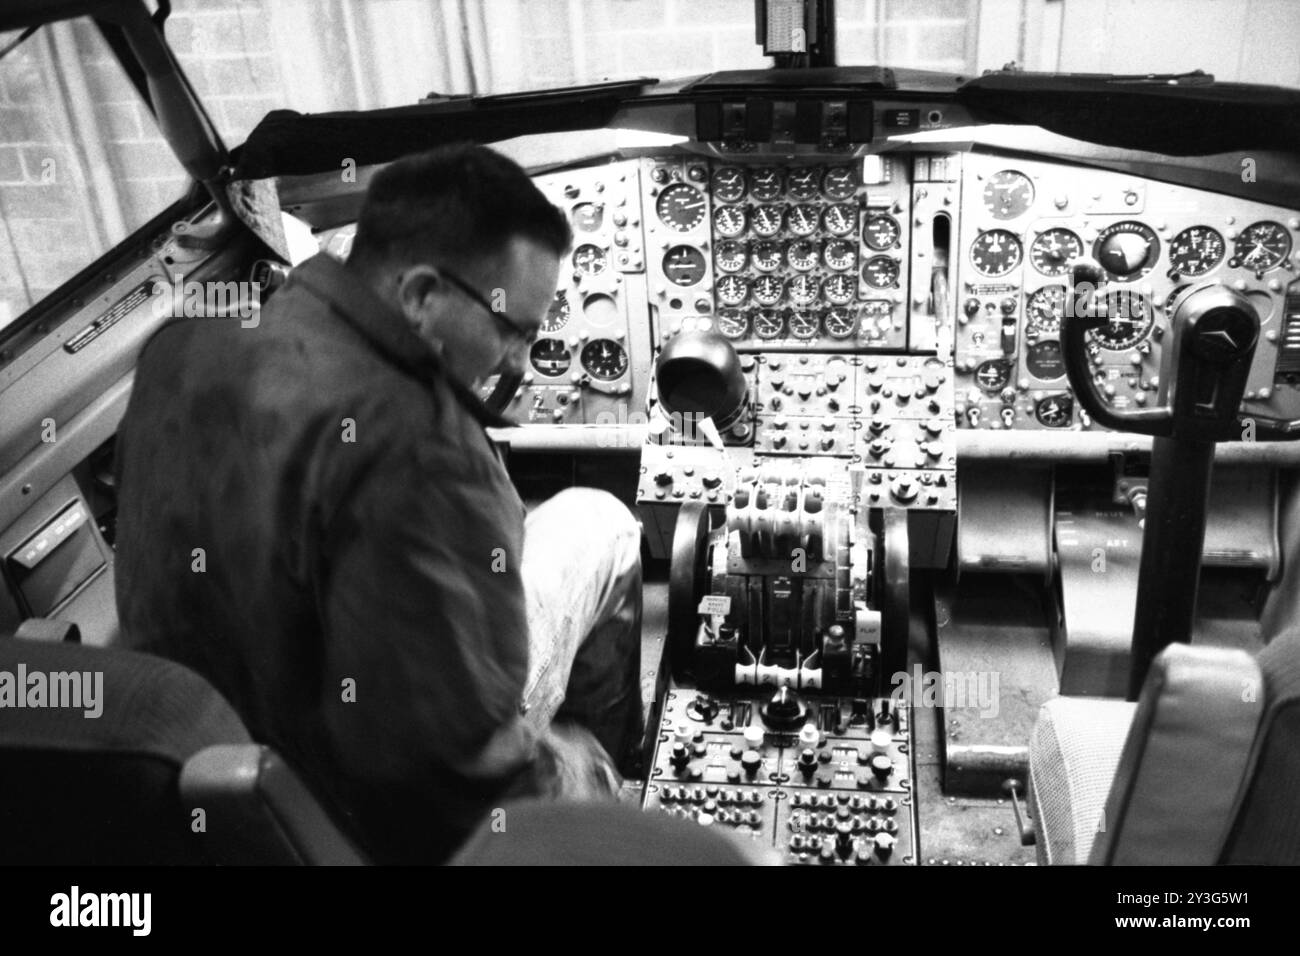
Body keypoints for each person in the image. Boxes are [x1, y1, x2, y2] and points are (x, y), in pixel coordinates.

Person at [114, 144, 645, 863]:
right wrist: (579, 775)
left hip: (208, 783)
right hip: (373, 828)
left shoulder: (174, 354)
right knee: (603, 521)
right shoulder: (424, 453)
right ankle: (626, 767)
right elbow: (449, 786)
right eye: (511, 329)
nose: (519, 363)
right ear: (422, 296)